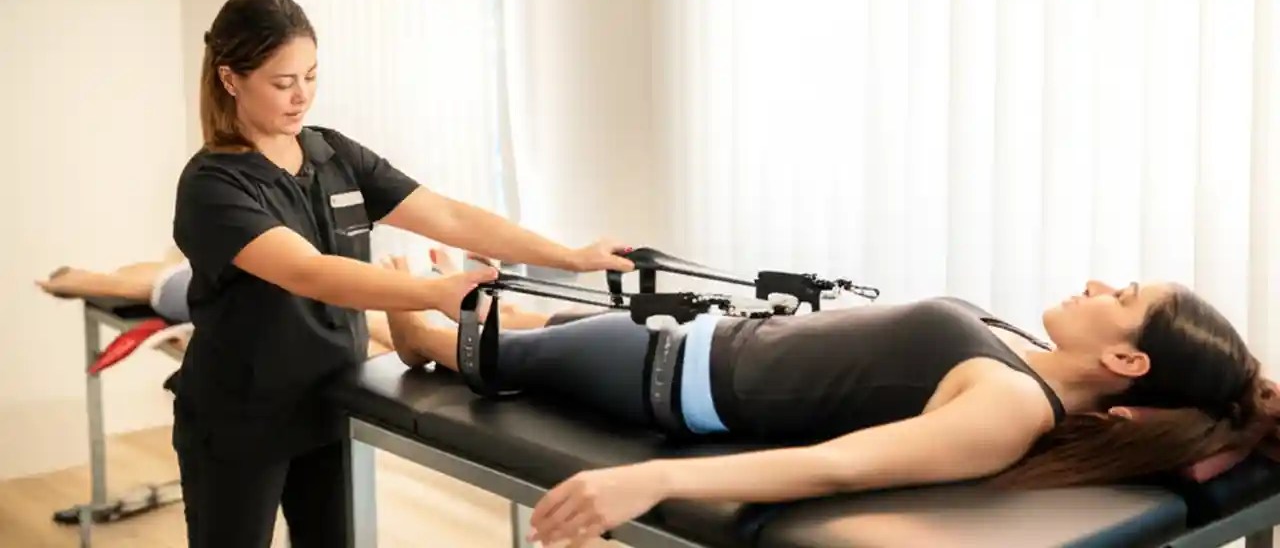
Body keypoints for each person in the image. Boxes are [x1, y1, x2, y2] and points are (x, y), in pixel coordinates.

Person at [381, 254, 1280, 547]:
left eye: (1118, 297)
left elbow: (835, 466)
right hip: (700, 337)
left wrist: (644, 482)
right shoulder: (1035, 367)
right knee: (519, 319)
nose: (1095, 283)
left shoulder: (1008, 408)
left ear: (1125, 360)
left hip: (660, 376)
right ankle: (440, 294)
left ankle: (380, 299)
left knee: (440, 344)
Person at [171, 0, 634, 548]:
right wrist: (431, 293)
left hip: (331, 400)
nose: (302, 97)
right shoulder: (213, 185)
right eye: (282, 82)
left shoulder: (331, 154)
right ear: (230, 79)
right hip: (242, 420)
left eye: (311, 77)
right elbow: (309, 272)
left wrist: (569, 255)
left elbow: (444, 215)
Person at [35, 248, 400, 357]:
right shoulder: (166, 282)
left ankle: (426, 347)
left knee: (357, 323)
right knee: (356, 326)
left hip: (231, 287)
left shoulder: (166, 277)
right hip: (231, 293)